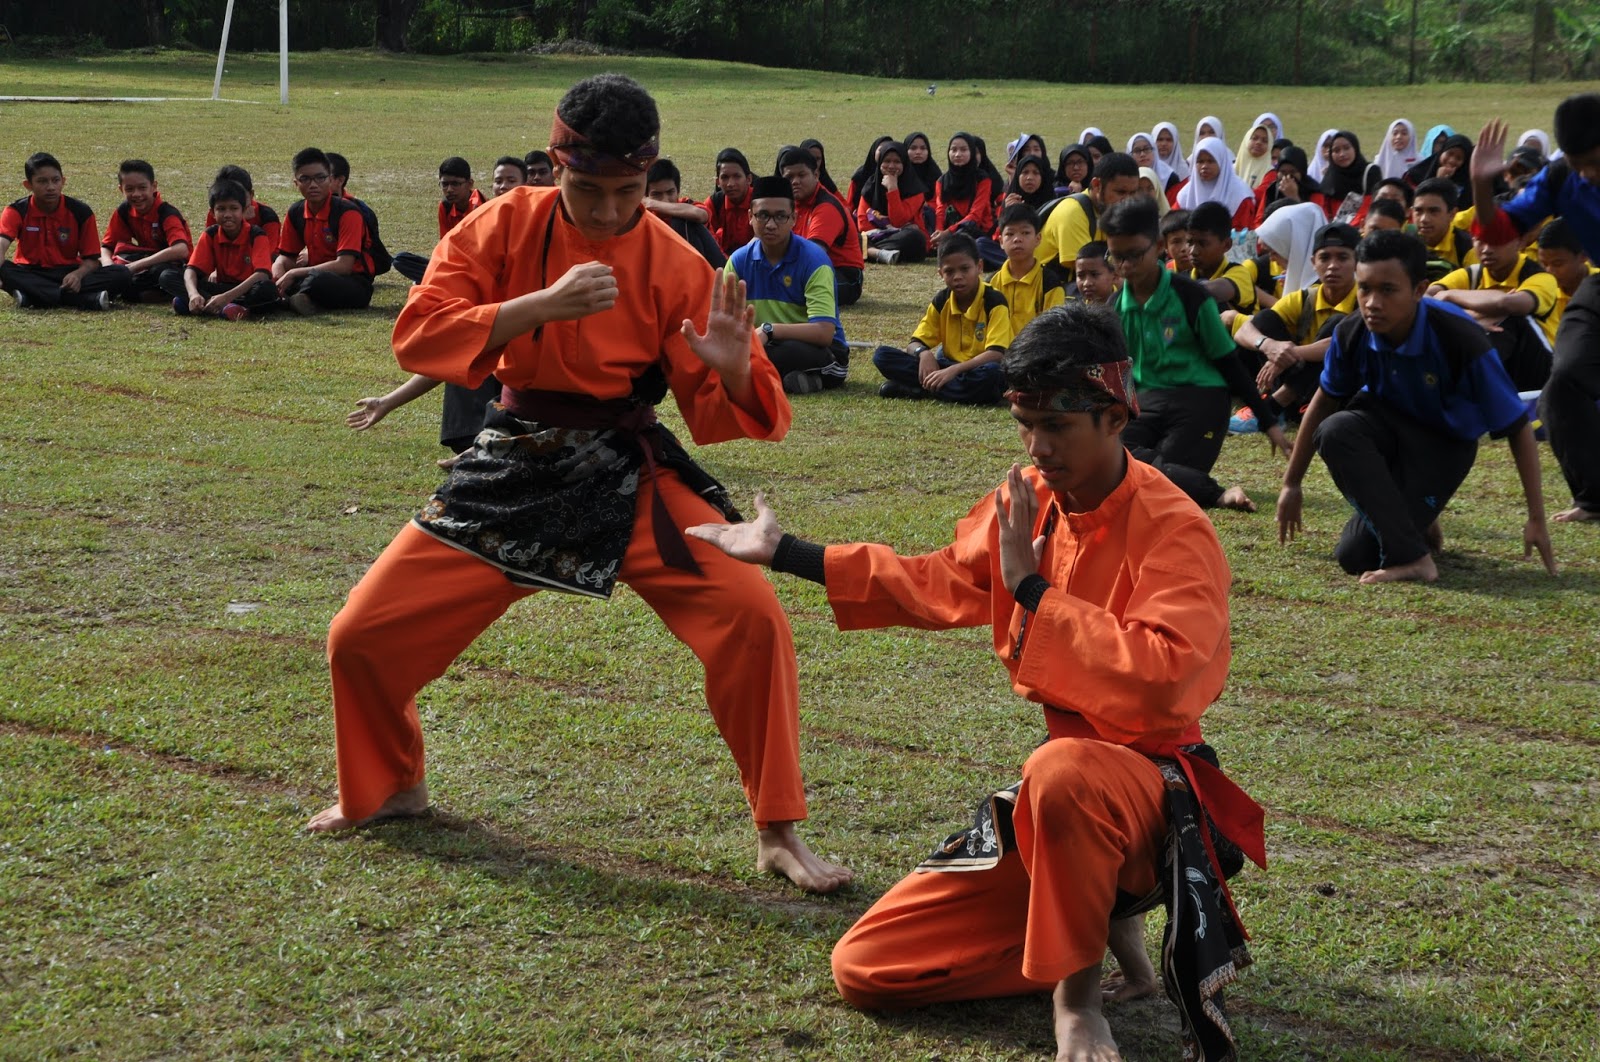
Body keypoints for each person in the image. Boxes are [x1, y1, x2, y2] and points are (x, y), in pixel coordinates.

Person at [307, 73, 852, 897]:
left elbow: (726, 408)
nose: (606, 213)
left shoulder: (675, 261)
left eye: (628, 192)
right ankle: (390, 785)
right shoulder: (500, 225)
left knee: (752, 617)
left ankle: (778, 830)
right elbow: (417, 335)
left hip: (623, 464)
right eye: (586, 191)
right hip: (515, 458)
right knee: (359, 635)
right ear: (554, 167)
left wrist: (739, 371)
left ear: (652, 176)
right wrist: (537, 307)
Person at [686, 301, 1264, 1062]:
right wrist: (787, 550)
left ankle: (1077, 1001)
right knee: (867, 968)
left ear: (1116, 417)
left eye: (1058, 427)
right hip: (1060, 807)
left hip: (1152, 796)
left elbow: (1168, 680)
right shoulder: (1030, 500)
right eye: (1025, 424)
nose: (1038, 447)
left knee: (1058, 771)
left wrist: (1032, 593)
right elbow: (934, 582)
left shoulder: (1176, 527)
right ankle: (1082, 927)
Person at [1277, 230, 1556, 583]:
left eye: (1388, 290)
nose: (1373, 303)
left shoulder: (1459, 338)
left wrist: (1536, 518)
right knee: (1336, 430)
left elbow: (1517, 426)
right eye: (1364, 288)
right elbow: (1323, 401)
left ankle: (1413, 545)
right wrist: (1292, 484)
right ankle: (1413, 552)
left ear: (1420, 290)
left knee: (1356, 554)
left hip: (1443, 446)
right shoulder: (1354, 331)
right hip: (1386, 427)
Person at [1102, 196, 1288, 511]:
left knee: (1138, 479)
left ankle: (1211, 492)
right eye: (1117, 257)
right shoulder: (1116, 307)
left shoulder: (1190, 297)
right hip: (1146, 404)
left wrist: (1267, 420)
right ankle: (1213, 492)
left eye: (1134, 255)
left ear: (1159, 245)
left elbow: (1228, 363)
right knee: (1107, 460)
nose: (1125, 266)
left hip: (1200, 401)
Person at [1471, 100, 1600, 522]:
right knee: (1563, 381)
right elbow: (1499, 230)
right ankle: (1593, 498)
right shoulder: (1562, 176)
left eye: (1596, 162)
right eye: (1580, 163)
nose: (1589, 174)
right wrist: (1480, 184)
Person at [727, 175, 848, 394]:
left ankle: (771, 376)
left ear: (794, 218)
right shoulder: (738, 261)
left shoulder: (814, 260)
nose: (771, 224)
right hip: (763, 344)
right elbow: (725, 321)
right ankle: (798, 381)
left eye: (780, 216)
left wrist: (769, 330)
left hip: (824, 353)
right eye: (763, 215)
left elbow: (824, 332)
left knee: (783, 352)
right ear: (750, 217)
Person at [1234, 220, 1360, 429]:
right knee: (1265, 320)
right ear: (1313, 262)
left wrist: (1287, 354)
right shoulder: (1306, 297)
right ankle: (1282, 406)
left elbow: (1337, 344)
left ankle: (1273, 406)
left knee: (1338, 327)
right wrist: (1270, 346)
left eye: (1343, 257)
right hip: (1304, 388)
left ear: (1358, 262)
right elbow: (1242, 331)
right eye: (1325, 257)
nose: (1332, 266)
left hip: (1340, 392)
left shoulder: (1365, 299)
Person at [872, 233, 1012, 404]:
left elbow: (996, 353)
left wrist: (953, 371)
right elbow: (914, 342)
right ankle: (955, 391)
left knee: (992, 374)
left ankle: (923, 390)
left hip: (978, 368)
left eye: (965, 269)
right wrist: (923, 353)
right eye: (949, 271)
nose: (957, 276)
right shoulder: (942, 300)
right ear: (940, 273)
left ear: (979, 267)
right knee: (882, 355)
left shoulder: (994, 300)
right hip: (946, 366)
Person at [1428, 227, 1560, 392]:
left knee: (1513, 318)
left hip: (1542, 372)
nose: (1487, 249)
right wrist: (1472, 318)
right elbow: (1426, 302)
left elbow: (1507, 303)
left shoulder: (1541, 277)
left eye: (1497, 241)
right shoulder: (1471, 274)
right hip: (1502, 368)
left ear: (1519, 242)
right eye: (1480, 241)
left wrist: (1449, 296)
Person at [0, 152, 127, 310]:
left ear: (63, 181)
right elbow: (1, 244)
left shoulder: (81, 212)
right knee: (4, 269)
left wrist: (78, 275)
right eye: (42, 181)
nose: (51, 187)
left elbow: (92, 260)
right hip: (30, 272)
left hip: (68, 272)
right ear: (28, 185)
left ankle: (35, 297)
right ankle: (80, 300)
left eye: (55, 180)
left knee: (121, 273)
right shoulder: (16, 211)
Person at [272, 147, 375, 316]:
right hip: (311, 273)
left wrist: (293, 273)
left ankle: (294, 299)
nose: (313, 185)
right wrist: (278, 268)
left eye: (320, 178)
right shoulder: (296, 211)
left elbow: (344, 266)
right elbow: (287, 256)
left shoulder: (347, 212)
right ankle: (295, 298)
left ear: (330, 180)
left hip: (351, 282)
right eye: (305, 179)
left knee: (318, 280)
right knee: (268, 270)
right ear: (296, 183)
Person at [163, 178, 279, 321]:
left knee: (267, 290)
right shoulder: (211, 234)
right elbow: (192, 269)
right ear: (212, 212)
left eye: (234, 208)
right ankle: (216, 306)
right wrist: (193, 294)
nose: (228, 214)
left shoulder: (256, 234)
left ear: (244, 210)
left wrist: (226, 298)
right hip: (220, 287)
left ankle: (219, 306)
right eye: (221, 209)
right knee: (167, 276)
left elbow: (262, 274)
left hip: (246, 289)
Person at [778, 145, 864, 306]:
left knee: (791, 288)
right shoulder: (790, 203)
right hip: (809, 270)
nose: (795, 181)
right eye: (789, 177)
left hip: (843, 276)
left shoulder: (826, 206)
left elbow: (813, 253)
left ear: (816, 174)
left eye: (801, 175)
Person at [99, 159, 192, 302]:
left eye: (142, 188)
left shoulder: (167, 213)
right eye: (129, 189)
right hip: (145, 261)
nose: (136, 194)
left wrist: (135, 266)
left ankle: (151, 294)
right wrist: (108, 267)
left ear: (154, 186)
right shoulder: (124, 211)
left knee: (162, 274)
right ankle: (135, 293)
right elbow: (106, 246)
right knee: (93, 264)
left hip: (175, 266)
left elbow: (181, 250)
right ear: (121, 189)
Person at [1037, 152, 1140, 281]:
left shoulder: (1113, 212)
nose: (1128, 201)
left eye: (1133, 193)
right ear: (1097, 185)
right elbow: (1089, 276)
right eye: (1121, 192)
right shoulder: (1072, 213)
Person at [393, 156, 485, 284]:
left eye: (455, 184)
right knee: (401, 260)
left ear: (470, 183)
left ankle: (438, 280)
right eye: (444, 184)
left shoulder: (481, 208)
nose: (449, 189)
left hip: (478, 269)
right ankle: (441, 279)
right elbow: (445, 244)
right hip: (454, 266)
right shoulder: (445, 206)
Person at [987, 203, 1066, 333]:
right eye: (1010, 234)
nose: (1017, 239)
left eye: (1025, 233)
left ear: (1038, 239)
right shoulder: (991, 283)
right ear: (1001, 241)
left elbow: (1054, 329)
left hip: (1035, 349)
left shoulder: (1049, 282)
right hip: (998, 350)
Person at [856, 141, 929, 265]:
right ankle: (880, 253)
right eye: (887, 161)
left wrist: (893, 189)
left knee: (915, 236)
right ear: (879, 164)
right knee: (853, 236)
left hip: (905, 239)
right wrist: (890, 229)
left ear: (904, 164)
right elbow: (863, 223)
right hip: (877, 236)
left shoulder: (914, 189)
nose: (891, 166)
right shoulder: (871, 186)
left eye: (897, 162)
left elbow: (898, 220)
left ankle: (871, 252)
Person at [1186, 201, 1265, 316]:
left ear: (1227, 245)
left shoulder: (1240, 274)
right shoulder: (1185, 276)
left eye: (1202, 243)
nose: (1193, 251)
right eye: (1189, 242)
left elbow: (1214, 291)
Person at [644, 158, 725, 268]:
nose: (665, 200)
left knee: (681, 220)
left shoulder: (688, 205)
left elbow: (700, 214)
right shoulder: (645, 216)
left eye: (670, 192)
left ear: (678, 191)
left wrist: (652, 203)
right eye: (656, 194)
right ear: (646, 194)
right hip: (668, 271)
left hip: (713, 270)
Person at [931, 133, 995, 248]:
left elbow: (975, 215)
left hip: (978, 230)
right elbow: (940, 211)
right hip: (952, 229)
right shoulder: (942, 181)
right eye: (953, 150)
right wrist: (938, 232)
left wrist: (947, 233)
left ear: (971, 152)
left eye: (963, 150)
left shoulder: (982, 179)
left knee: (966, 233)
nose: (958, 154)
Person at [1175, 138, 1256, 230]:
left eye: (1211, 161)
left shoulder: (1240, 195)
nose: (1204, 166)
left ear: (1222, 162)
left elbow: (1242, 233)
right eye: (1200, 161)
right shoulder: (1185, 194)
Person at [1412, 177, 1478, 281]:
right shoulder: (1405, 243)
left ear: (1452, 214)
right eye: (1418, 211)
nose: (1424, 219)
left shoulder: (1468, 249)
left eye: (1433, 211)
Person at [205, 165, 280, 246]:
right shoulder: (218, 213)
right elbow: (209, 246)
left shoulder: (267, 217)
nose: (227, 214)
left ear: (251, 194)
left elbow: (268, 254)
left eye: (239, 194)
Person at [701, 148, 756, 256]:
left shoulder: (760, 202)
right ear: (717, 182)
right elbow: (707, 243)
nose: (730, 184)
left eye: (737, 176)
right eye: (725, 177)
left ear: (749, 179)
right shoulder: (713, 204)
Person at [1255, 146, 1327, 226]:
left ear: (1302, 172)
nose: (1287, 177)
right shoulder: (1272, 190)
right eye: (1283, 172)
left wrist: (1294, 198)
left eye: (1293, 172)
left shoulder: (1314, 191)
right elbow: (1259, 220)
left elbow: (1316, 222)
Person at [1319, 131, 1372, 222]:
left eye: (1347, 148)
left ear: (1355, 148)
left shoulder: (1370, 171)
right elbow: (1324, 210)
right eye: (1336, 150)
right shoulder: (1330, 176)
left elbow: (1370, 206)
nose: (1342, 154)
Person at [846, 136, 893, 215]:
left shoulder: (898, 174)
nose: (884, 152)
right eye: (881, 149)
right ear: (874, 151)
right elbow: (849, 204)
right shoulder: (860, 175)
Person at [1071, 240, 1117, 305]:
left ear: (1114, 275)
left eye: (1094, 275)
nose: (1086, 283)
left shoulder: (1125, 307)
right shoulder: (1074, 309)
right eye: (1080, 276)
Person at [1234, 122, 1274, 188]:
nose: (1259, 142)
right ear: (1246, 140)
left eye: (1264, 141)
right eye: (1254, 138)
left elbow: (1262, 194)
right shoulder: (1231, 169)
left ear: (1269, 146)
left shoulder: (1270, 173)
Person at [1160, 208, 1193, 273]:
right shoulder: (1164, 273)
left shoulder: (1207, 270)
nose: (1184, 248)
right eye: (1176, 242)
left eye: (1189, 241)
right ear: (1165, 246)